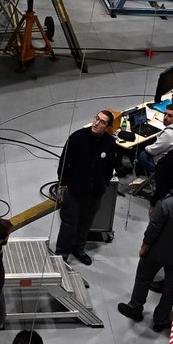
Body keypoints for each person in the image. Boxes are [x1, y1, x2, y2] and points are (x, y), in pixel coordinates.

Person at [118, 164, 173, 333]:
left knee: (144, 278)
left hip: (157, 252)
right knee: (170, 288)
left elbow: (153, 229)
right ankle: (161, 320)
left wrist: (145, 246)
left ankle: (135, 308)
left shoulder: (166, 204)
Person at [54, 108, 119, 266]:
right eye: (96, 118)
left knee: (86, 222)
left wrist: (103, 183)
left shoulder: (110, 143)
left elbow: (109, 167)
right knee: (69, 224)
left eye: (102, 122)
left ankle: (79, 249)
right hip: (74, 192)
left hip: (94, 193)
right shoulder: (77, 138)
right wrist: (63, 183)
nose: (96, 123)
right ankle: (61, 254)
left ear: (108, 127)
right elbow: (64, 162)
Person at [134, 102, 173, 181]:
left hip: (161, 165)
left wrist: (146, 146)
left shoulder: (168, 134)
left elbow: (152, 151)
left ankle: (141, 177)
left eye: (170, 116)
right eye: (165, 114)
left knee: (140, 151)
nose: (165, 117)